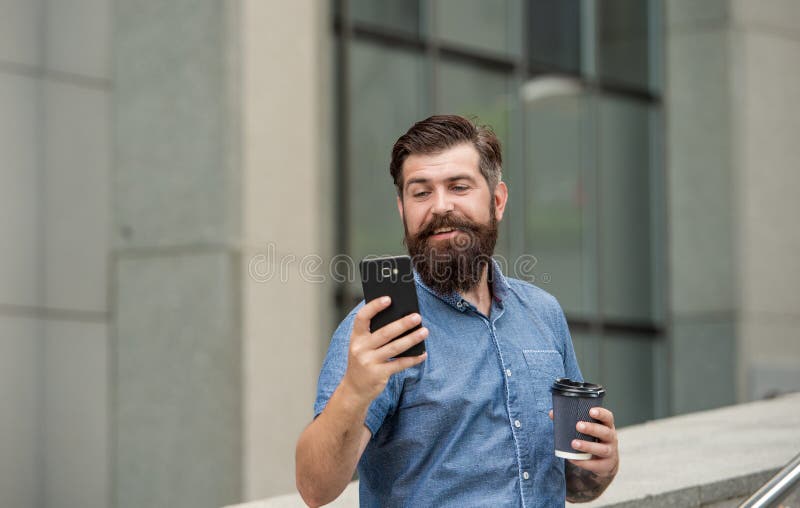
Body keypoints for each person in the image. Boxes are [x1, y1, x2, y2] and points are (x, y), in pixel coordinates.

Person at [296, 115, 619, 507]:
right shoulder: (379, 328)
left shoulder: (543, 313)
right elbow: (315, 488)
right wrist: (355, 390)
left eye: (458, 186)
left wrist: (599, 465)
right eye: (421, 193)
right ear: (402, 209)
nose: (440, 206)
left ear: (497, 201)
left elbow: (574, 484)